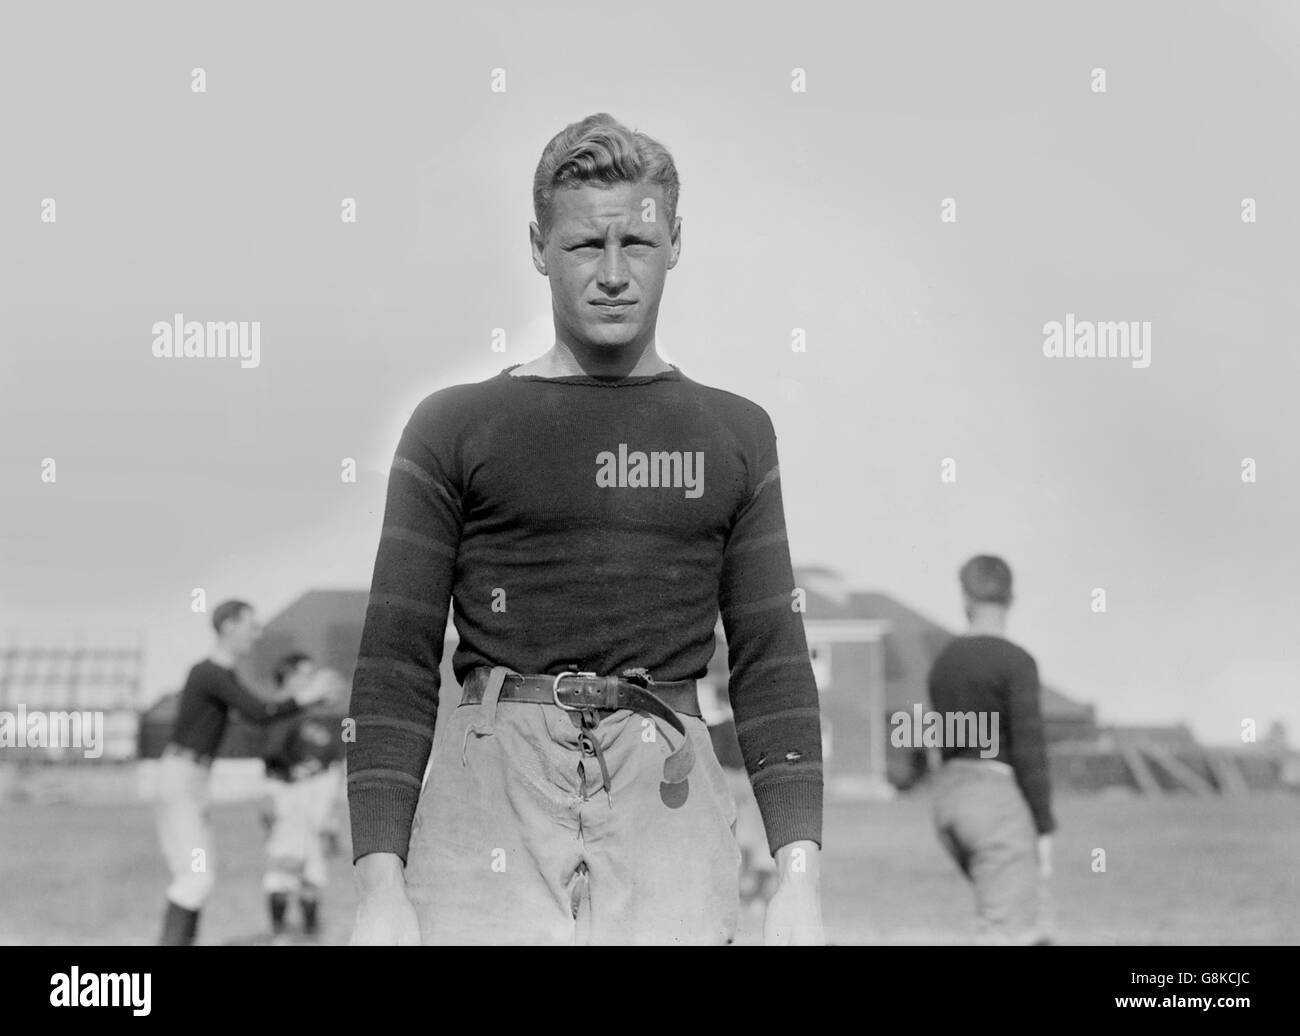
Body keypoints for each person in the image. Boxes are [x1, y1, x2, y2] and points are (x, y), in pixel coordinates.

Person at [347, 113, 824, 946]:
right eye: (581, 248)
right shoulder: (454, 426)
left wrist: (799, 883)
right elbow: (394, 658)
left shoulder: (734, 434)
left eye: (636, 244)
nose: (612, 275)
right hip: (489, 794)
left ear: (675, 242)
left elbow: (771, 663)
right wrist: (379, 890)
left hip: (668, 788)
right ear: (538, 247)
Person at [154, 600, 326, 946]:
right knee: (195, 877)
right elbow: (259, 712)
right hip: (182, 779)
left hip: (192, 780)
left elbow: (259, 713)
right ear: (229, 625)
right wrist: (305, 697)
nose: (257, 632)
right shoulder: (208, 673)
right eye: (251, 624)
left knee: (197, 875)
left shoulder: (221, 674)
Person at [927, 555, 1056, 945]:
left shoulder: (944, 662)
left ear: (966, 598)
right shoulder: (1017, 663)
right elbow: (1029, 750)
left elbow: (939, 744)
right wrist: (1045, 827)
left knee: (1014, 920)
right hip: (995, 800)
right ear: (1011, 598)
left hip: (949, 804)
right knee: (1008, 932)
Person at [260, 652, 347, 941]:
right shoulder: (278, 710)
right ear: (290, 676)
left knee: (313, 866)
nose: (313, 681)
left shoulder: (312, 714)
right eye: (307, 675)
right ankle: (280, 933)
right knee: (286, 863)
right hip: (291, 794)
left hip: (314, 797)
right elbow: (273, 759)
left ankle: (310, 933)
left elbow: (330, 757)